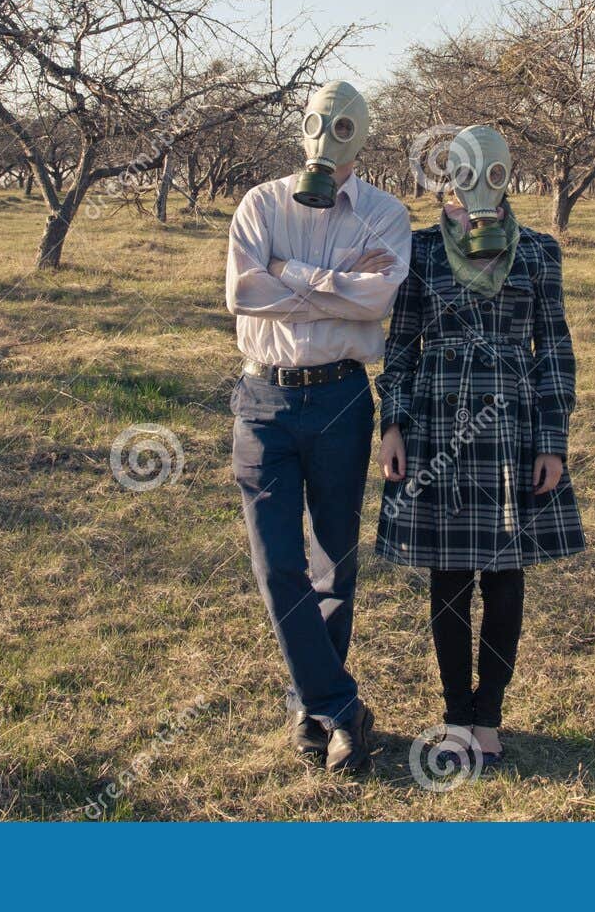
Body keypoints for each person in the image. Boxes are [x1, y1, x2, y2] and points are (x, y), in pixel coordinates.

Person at [375, 124, 583, 767]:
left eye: (491, 172)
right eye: (465, 172)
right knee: (448, 576)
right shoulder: (421, 250)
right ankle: (454, 713)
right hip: (437, 426)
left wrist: (552, 440)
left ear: (506, 175)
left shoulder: (539, 252)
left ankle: (489, 713)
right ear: (449, 176)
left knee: (505, 576)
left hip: (513, 429)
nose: (477, 185)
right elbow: (400, 347)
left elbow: (554, 350)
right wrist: (393, 425)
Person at [225, 79, 411, 775]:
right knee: (276, 562)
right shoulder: (260, 203)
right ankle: (339, 704)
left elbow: (378, 300)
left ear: (362, 134)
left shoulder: (386, 214)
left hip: (340, 397)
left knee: (334, 562)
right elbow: (243, 291)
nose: (325, 139)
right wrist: (336, 280)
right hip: (263, 398)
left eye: (342, 128)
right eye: (316, 123)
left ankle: (313, 712)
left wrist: (289, 273)